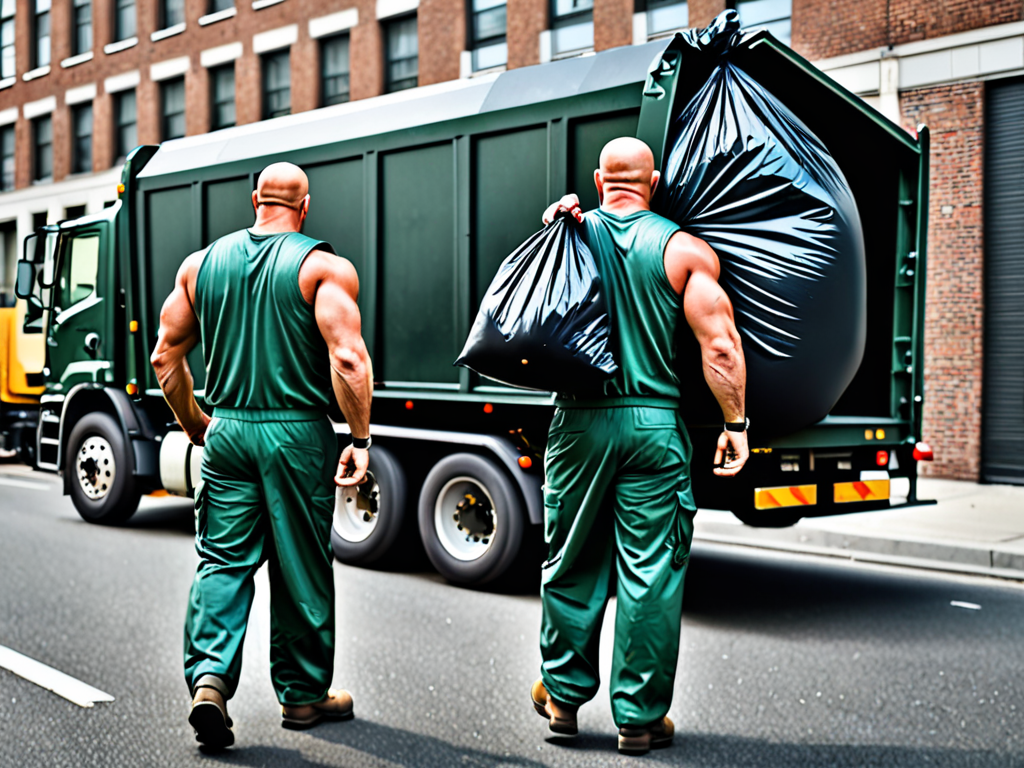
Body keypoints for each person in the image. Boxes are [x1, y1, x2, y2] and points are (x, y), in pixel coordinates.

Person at [529, 138, 748, 756]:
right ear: (654, 180)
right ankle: (639, 719)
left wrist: (558, 219)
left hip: (578, 423)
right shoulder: (683, 250)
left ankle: (562, 700)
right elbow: (722, 347)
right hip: (654, 425)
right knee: (651, 573)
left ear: (600, 180)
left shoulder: (567, 234)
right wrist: (735, 424)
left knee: (570, 562)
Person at [150, 162, 373, 750]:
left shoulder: (199, 267)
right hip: (297, 434)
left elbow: (164, 359)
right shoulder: (323, 267)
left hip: (226, 431)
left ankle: (209, 682)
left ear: (254, 200)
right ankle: (302, 697)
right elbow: (348, 360)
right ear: (305, 208)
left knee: (221, 561)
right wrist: (359, 439)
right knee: (300, 564)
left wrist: (196, 420)